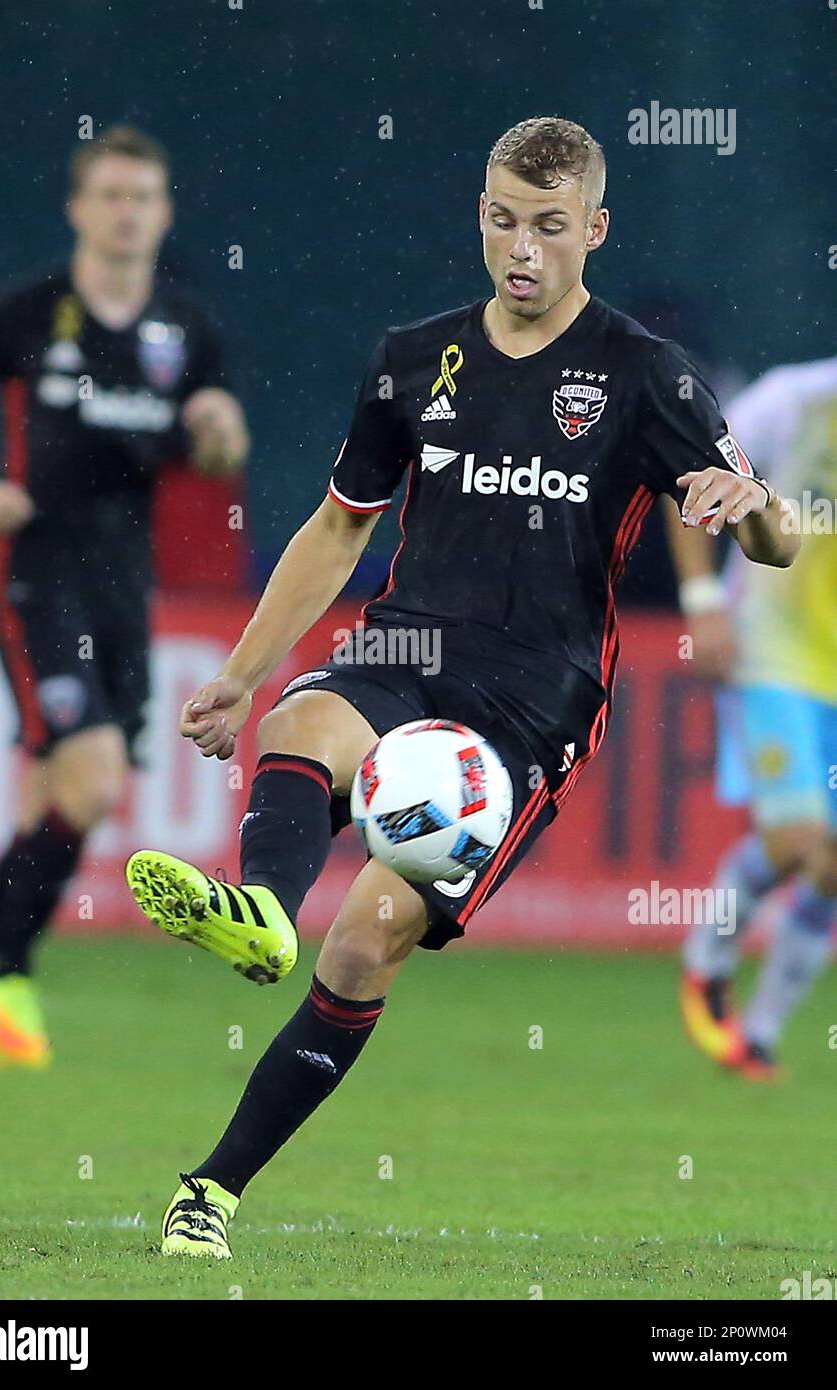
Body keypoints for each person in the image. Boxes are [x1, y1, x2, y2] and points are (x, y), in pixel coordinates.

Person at [124, 116, 798, 1259]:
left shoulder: (645, 374)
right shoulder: (412, 356)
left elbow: (776, 540)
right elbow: (340, 527)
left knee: (368, 941)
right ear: (478, 218)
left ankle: (213, 1189)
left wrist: (757, 510)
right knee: (301, 718)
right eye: (500, 221)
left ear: (594, 228)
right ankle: (262, 917)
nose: (520, 249)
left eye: (547, 227)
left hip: (536, 702)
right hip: (409, 645)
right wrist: (240, 674)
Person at [0, 125, 249, 1068]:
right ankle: (10, 976)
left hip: (124, 583)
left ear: (164, 211)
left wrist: (220, 432)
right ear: (79, 209)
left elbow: (218, 451)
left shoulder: (186, 330)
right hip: (36, 573)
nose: (126, 212)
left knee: (55, 795)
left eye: (142, 197)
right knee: (96, 776)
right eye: (109, 195)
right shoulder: (28, 313)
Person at [670, 357, 836, 1078]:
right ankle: (709, 954)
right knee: (803, 845)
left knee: (832, 868)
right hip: (775, 652)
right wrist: (703, 604)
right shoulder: (796, 398)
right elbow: (694, 482)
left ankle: (761, 1032)